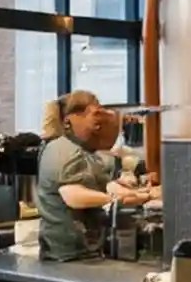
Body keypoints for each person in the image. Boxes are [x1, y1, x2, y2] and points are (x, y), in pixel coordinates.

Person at [37, 90, 148, 261]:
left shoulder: (85, 152)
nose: (101, 122)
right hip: (67, 254)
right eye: (96, 114)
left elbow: (100, 184)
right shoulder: (62, 150)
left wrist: (137, 193)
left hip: (86, 249)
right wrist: (114, 199)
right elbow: (73, 196)